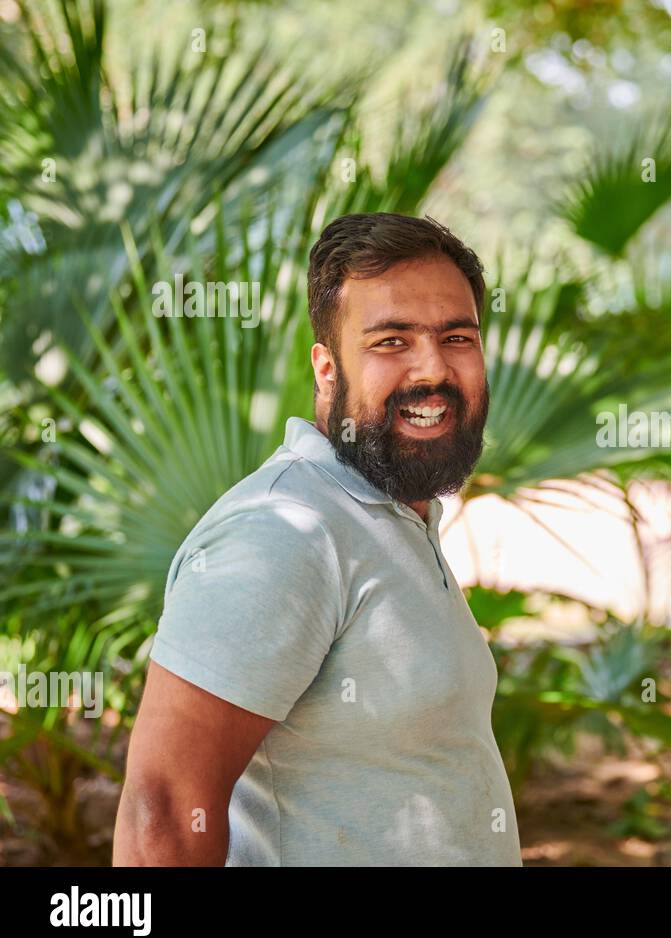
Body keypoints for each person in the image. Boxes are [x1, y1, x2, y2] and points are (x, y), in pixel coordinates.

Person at [114, 212, 522, 866]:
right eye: (391, 341)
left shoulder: (396, 515)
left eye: (457, 337)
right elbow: (161, 811)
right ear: (327, 369)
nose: (432, 370)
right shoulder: (282, 533)